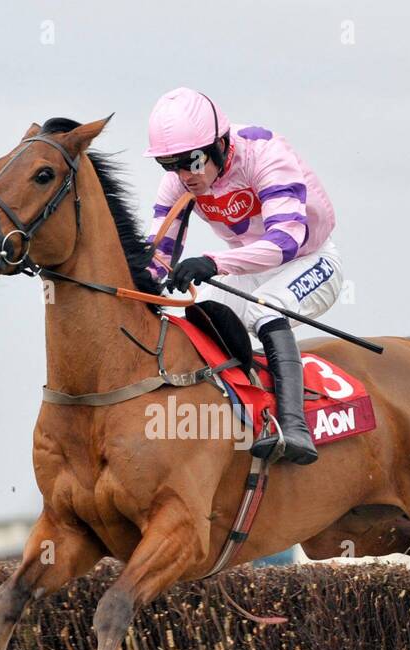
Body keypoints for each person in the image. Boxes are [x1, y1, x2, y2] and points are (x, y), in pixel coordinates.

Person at [142, 87, 341, 465]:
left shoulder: (265, 153)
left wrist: (213, 262)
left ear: (219, 144)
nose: (184, 176)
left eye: (192, 161)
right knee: (199, 322)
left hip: (310, 259)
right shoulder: (179, 185)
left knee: (265, 311)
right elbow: (157, 259)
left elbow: (285, 241)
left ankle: (295, 429)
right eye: (170, 165)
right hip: (249, 267)